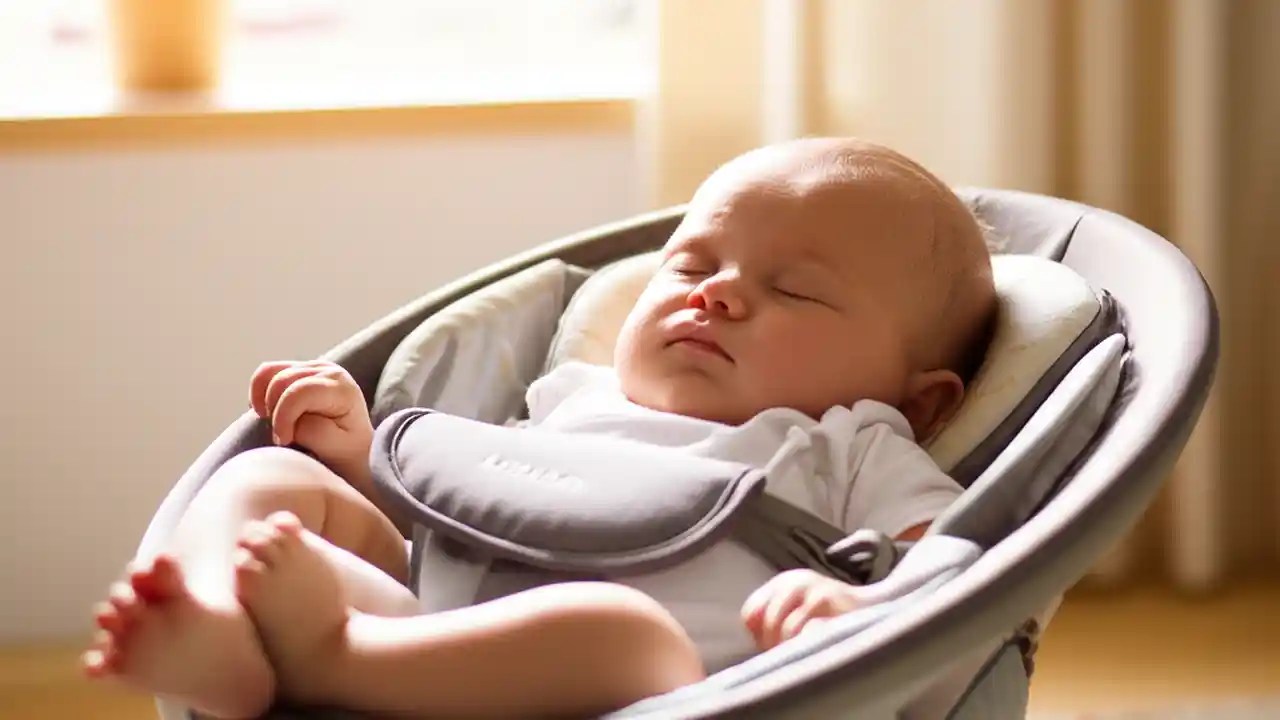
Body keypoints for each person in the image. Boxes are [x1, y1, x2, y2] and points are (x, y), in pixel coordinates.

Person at [82, 137, 996, 719]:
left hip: (652, 693)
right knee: (269, 489)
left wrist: (865, 609)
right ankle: (214, 628)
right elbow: (462, 511)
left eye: (792, 289)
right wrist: (361, 461)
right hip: (424, 634)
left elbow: (960, 567)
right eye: (692, 264)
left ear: (919, 402)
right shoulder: (573, 397)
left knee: (620, 629)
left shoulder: (854, 444)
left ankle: (326, 660)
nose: (715, 293)